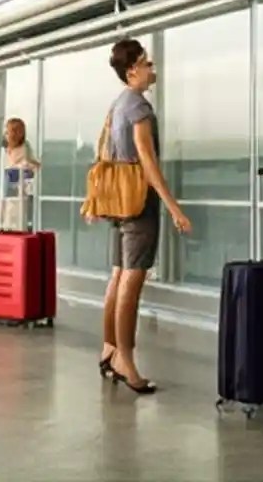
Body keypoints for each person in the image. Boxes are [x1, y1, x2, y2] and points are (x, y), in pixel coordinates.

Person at [90, 38, 192, 395]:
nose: (153, 70)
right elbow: (148, 161)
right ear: (132, 69)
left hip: (117, 201)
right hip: (138, 203)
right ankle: (126, 361)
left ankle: (109, 349)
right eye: (147, 63)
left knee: (117, 277)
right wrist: (173, 206)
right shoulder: (138, 108)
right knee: (132, 282)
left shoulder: (117, 105)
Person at [0, 117, 40, 229]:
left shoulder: (25, 147)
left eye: (17, 131)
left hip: (23, 187)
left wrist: (30, 166)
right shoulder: (4, 150)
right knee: (8, 216)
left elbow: (31, 163)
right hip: (9, 189)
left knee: (21, 217)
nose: (10, 135)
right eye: (8, 131)